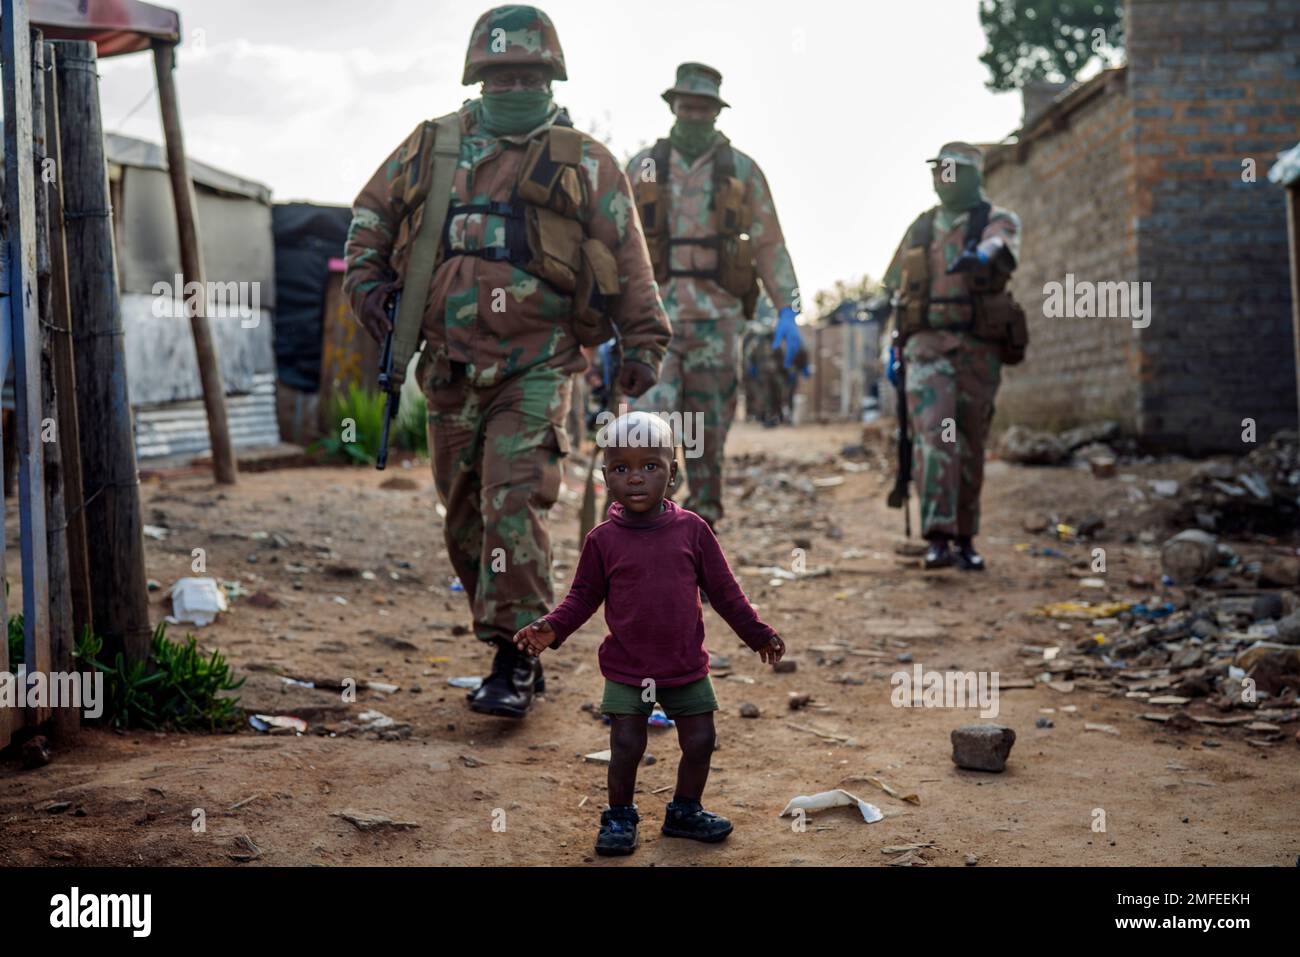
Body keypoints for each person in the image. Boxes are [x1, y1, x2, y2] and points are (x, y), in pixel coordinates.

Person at [343, 5, 672, 719]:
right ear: (477, 77)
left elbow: (627, 255)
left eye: (529, 73)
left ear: (551, 76)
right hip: (449, 367)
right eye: (502, 73)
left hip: (538, 364)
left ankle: (515, 654)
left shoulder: (585, 159)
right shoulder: (433, 145)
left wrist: (642, 343)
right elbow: (370, 215)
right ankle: (508, 640)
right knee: (464, 514)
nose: (515, 83)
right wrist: (367, 285)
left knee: (513, 498)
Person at [512, 412, 786, 855]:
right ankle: (619, 816)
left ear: (672, 473)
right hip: (627, 666)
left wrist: (758, 633)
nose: (635, 478)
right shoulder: (602, 540)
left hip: (685, 664)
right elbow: (582, 597)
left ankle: (684, 811)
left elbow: (725, 591)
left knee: (701, 740)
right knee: (626, 744)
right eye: (621, 469)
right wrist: (551, 627)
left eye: (650, 466)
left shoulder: (693, 531)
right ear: (606, 477)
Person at [624, 63, 803, 528]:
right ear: (673, 107)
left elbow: (768, 243)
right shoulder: (643, 166)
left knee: (706, 437)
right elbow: (614, 241)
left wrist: (788, 307)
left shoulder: (741, 170)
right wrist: (603, 317)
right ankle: (644, 535)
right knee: (645, 431)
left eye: (704, 108)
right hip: (653, 322)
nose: (695, 116)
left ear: (717, 112)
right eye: (688, 107)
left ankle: (700, 540)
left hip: (718, 324)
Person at [882, 142, 1022, 571]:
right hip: (926, 348)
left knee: (970, 442)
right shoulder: (921, 227)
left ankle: (966, 536)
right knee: (935, 438)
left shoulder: (994, 219)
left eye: (954, 172)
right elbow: (895, 287)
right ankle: (938, 536)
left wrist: (980, 254)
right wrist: (893, 345)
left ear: (973, 176)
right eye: (939, 171)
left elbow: (1002, 242)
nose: (944, 179)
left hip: (976, 349)